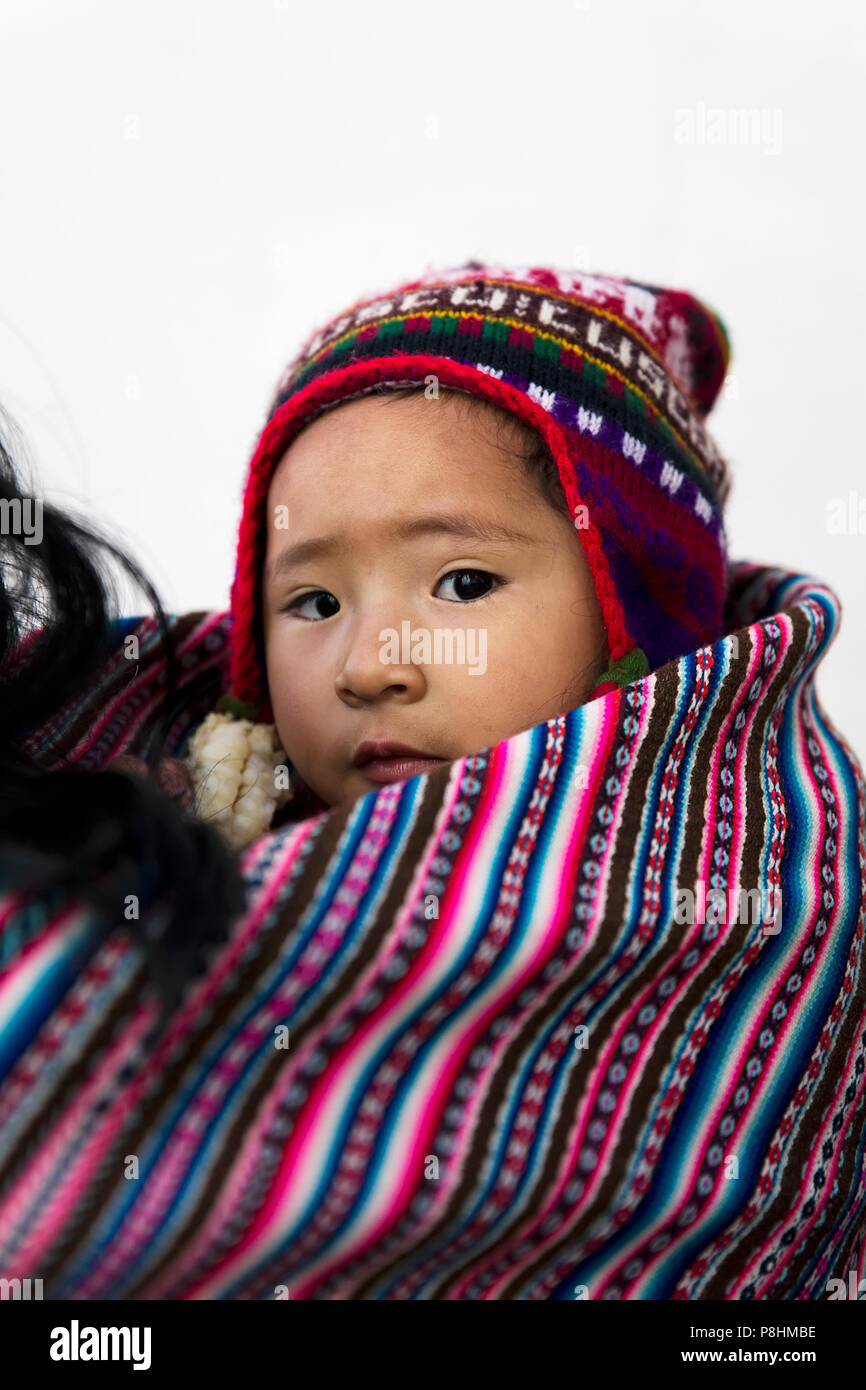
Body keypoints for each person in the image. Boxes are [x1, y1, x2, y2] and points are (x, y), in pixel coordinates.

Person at [1, 262, 864, 1300]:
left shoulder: (745, 896)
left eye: (460, 584)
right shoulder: (193, 807)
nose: (372, 662)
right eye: (312, 601)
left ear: (637, 611)